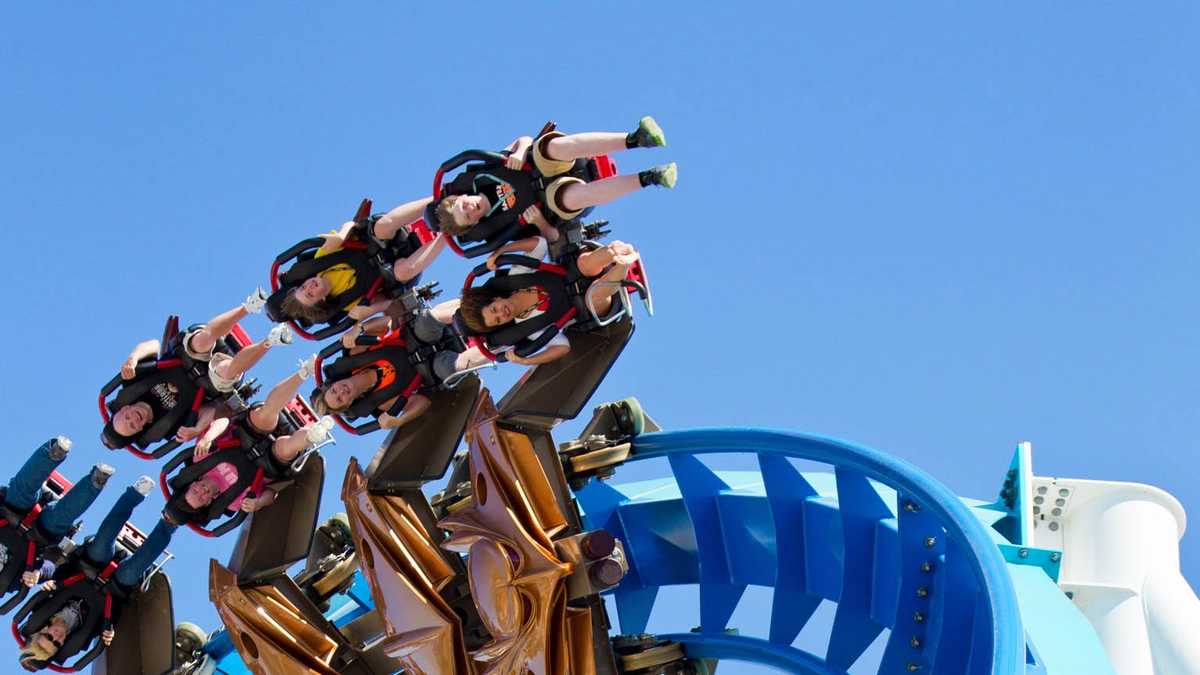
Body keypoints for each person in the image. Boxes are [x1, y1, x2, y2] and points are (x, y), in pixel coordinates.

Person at [432, 117, 676, 244]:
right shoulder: (499, 229)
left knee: (547, 147)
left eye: (463, 206)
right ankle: (652, 177)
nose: (470, 209)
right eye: (468, 217)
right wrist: (539, 222)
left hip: (546, 163)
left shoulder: (480, 176)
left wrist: (518, 153)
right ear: (473, 224)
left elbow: (524, 140)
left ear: (462, 197)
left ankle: (636, 139)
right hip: (553, 198)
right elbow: (552, 238)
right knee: (568, 198)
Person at [102, 290, 292, 450]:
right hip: (209, 381)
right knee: (225, 372)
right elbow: (209, 410)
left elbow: (152, 344)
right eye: (133, 426)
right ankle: (272, 340)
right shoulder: (167, 429)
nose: (133, 419)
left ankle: (250, 306)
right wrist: (198, 429)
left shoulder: (130, 384)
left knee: (201, 341)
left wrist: (133, 358)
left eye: (127, 417)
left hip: (187, 354)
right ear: (140, 429)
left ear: (124, 408)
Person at [16, 475, 167, 671]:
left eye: (49, 637)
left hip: (87, 567)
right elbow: (110, 621)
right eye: (57, 644)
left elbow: (51, 570)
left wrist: (37, 573)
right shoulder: (81, 640)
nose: (57, 636)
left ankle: (134, 494)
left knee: (103, 541)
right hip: (113, 588)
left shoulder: (43, 607)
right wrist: (109, 632)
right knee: (133, 570)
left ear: (41, 630)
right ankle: (169, 522)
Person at [164, 359, 333, 526]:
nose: (201, 492)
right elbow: (271, 493)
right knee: (284, 447)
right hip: (268, 460)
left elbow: (221, 422)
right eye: (201, 498)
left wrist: (208, 438)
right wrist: (258, 503)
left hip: (249, 432)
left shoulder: (200, 458)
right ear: (207, 502)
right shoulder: (233, 502)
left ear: (193, 483)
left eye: (195, 491)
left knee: (264, 415)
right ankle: (313, 435)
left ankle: (304, 371)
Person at [455, 235, 640, 366]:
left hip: (575, 272)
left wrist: (501, 251)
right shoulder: (530, 329)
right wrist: (526, 360)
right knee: (593, 295)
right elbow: (562, 347)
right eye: (498, 320)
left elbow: (539, 244)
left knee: (584, 264)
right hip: (586, 305)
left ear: (494, 298)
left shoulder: (515, 278)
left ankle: (615, 251)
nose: (502, 313)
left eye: (494, 309)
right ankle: (623, 263)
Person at [276, 198, 447, 326]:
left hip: (377, 241)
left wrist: (341, 235)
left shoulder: (320, 261)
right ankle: (448, 233)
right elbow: (385, 301)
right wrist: (373, 309)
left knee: (382, 227)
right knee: (402, 271)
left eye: (303, 287)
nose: (309, 286)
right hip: (392, 269)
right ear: (321, 301)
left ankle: (438, 198)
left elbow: (350, 225)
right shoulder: (347, 303)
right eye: (310, 294)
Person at [0, 438, 113, 600]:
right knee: (60, 517)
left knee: (22, 490)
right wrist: (38, 574)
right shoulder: (10, 584)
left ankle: (54, 453)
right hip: (36, 535)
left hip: (10, 509)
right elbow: (50, 567)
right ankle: (96, 481)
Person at [309, 317, 439, 431]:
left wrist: (359, 329)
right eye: (339, 399)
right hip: (434, 364)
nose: (341, 392)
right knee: (447, 366)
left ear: (334, 383)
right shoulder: (382, 403)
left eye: (333, 391)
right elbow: (423, 402)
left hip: (416, 336)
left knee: (428, 321)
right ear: (347, 404)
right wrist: (400, 421)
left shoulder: (356, 353)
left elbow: (387, 322)